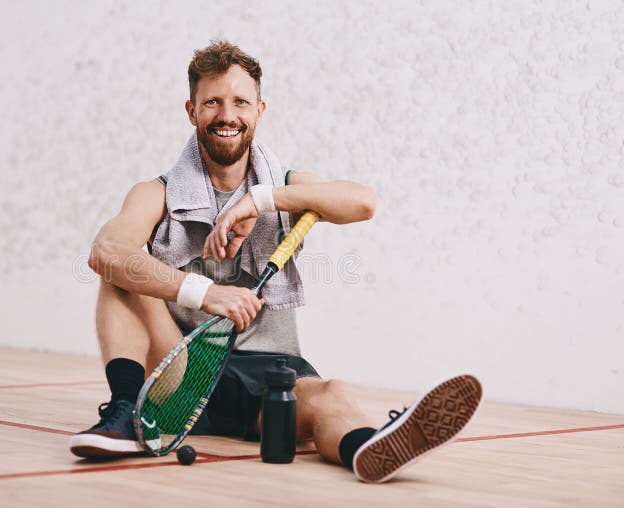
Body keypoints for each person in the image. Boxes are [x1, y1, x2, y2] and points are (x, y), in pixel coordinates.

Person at [70, 40, 482, 483]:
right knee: (120, 269)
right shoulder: (156, 193)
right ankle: (126, 412)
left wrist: (260, 201)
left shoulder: (286, 187)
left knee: (332, 394)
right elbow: (105, 252)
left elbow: (363, 202)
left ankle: (366, 447)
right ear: (191, 111)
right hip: (177, 373)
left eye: (240, 102)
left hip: (269, 376)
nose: (228, 115)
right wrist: (205, 293)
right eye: (212, 102)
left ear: (259, 111)